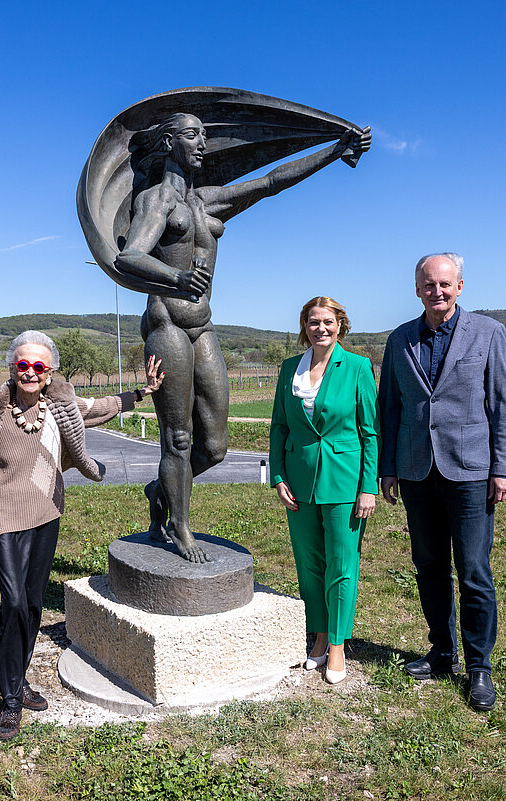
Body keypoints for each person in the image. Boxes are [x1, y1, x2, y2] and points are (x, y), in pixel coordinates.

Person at [116, 112, 372, 563]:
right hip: (167, 325)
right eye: (194, 135)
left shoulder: (207, 201)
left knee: (213, 446)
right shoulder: (156, 201)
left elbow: (271, 181)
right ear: (169, 141)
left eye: (206, 136)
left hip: (203, 326)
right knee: (177, 439)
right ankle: (180, 527)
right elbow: (130, 257)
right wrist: (176, 277)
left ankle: (161, 489)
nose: (203, 144)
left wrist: (333, 152)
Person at [0, 331, 164, 740]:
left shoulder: (59, 408)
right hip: (0, 515)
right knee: (12, 601)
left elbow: (100, 407)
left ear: (50, 374)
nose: (30, 372)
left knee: (32, 602)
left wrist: (143, 391)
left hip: (46, 512)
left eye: (38, 367)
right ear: (12, 369)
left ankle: (18, 679)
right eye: (22, 365)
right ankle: (10, 701)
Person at [377, 252, 506, 712]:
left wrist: (504, 468)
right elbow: (391, 408)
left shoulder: (489, 333)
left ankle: (479, 667)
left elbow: (502, 404)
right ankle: (442, 652)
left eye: (444, 284)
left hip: (471, 472)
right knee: (430, 568)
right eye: (427, 284)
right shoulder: (400, 339)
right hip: (417, 471)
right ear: (417, 289)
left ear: (460, 286)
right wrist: (388, 466)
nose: (436, 291)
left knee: (474, 572)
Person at [269, 297, 379, 685]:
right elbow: (279, 427)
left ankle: (336, 646)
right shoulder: (288, 370)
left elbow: (369, 432)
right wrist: (278, 477)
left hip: (344, 483)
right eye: (313, 322)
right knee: (309, 565)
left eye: (328, 322)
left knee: (341, 566)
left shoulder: (358, 367)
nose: (321, 329)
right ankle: (317, 637)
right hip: (298, 484)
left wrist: (368, 487)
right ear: (305, 326)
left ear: (340, 325)